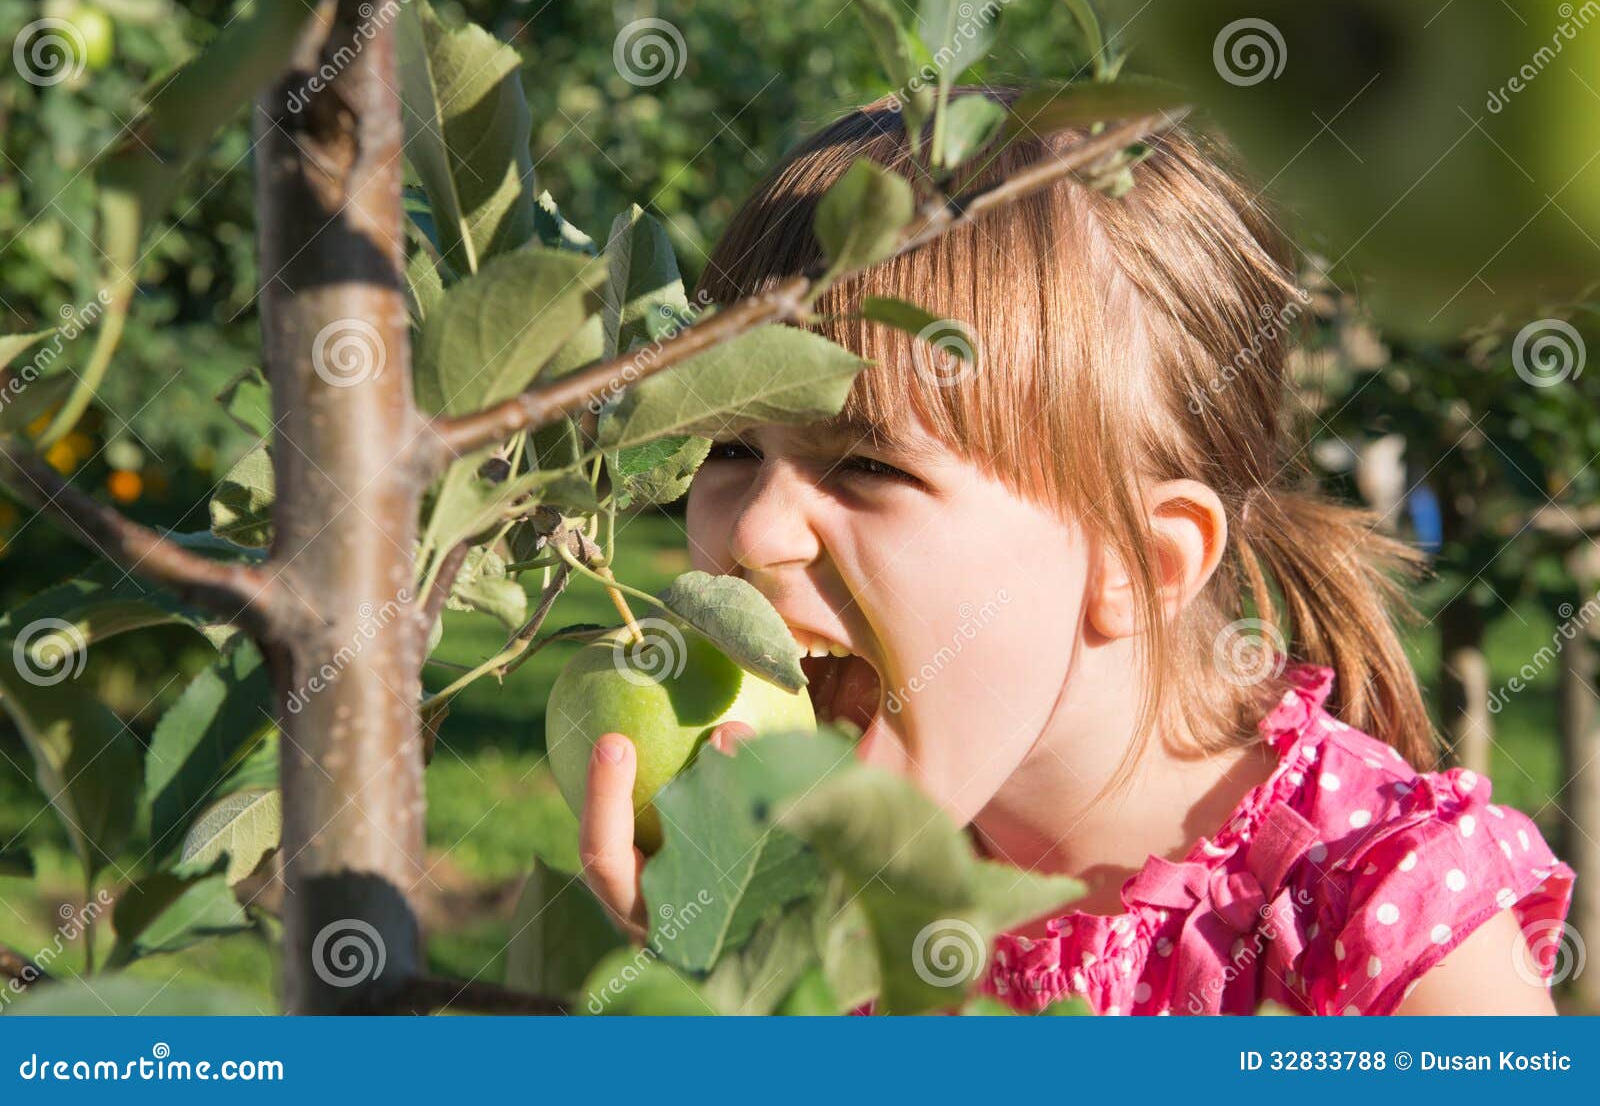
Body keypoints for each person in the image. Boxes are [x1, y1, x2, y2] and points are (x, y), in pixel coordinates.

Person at [572, 88, 1575, 1015]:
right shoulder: (834, 905)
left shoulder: (1379, 926)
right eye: (731, 444)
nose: (750, 530)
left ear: (1140, 559)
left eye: (868, 466)